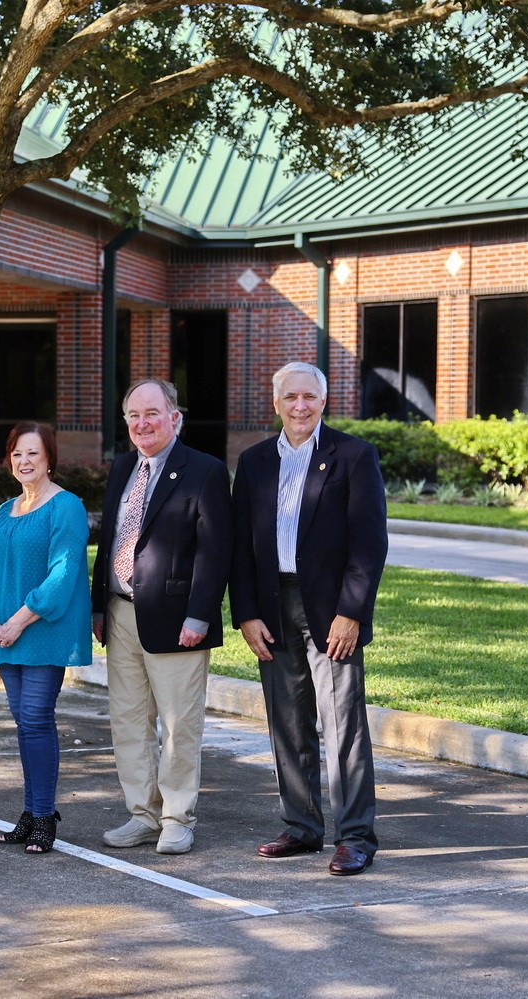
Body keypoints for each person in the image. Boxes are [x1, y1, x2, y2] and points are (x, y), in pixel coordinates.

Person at [230, 361, 388, 876]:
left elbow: (369, 546)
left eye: (310, 397)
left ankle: (355, 836)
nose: (300, 406)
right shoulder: (253, 462)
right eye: (291, 397)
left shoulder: (353, 456)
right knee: (286, 720)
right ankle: (301, 827)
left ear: (324, 402)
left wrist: (352, 613)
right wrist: (247, 613)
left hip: (331, 609)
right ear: (275, 403)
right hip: (272, 605)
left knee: (342, 722)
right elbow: (241, 549)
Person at [90, 378, 231, 856]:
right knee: (128, 721)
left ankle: (176, 818)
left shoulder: (205, 471)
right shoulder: (123, 468)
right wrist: (97, 606)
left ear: (175, 417)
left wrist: (200, 616)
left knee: (178, 724)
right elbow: (109, 540)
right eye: (133, 415)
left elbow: (216, 553)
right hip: (119, 611)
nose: (142, 423)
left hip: (177, 620)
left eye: (152, 413)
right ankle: (142, 814)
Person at [0, 422, 92, 855]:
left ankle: (43, 817)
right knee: (25, 724)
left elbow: (62, 576)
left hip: (42, 632)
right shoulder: (5, 511)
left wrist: (17, 622)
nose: (24, 462)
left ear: (49, 459)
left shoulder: (67, 507)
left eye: (33, 454)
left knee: (37, 719)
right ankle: (31, 810)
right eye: (17, 454)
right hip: (4, 636)